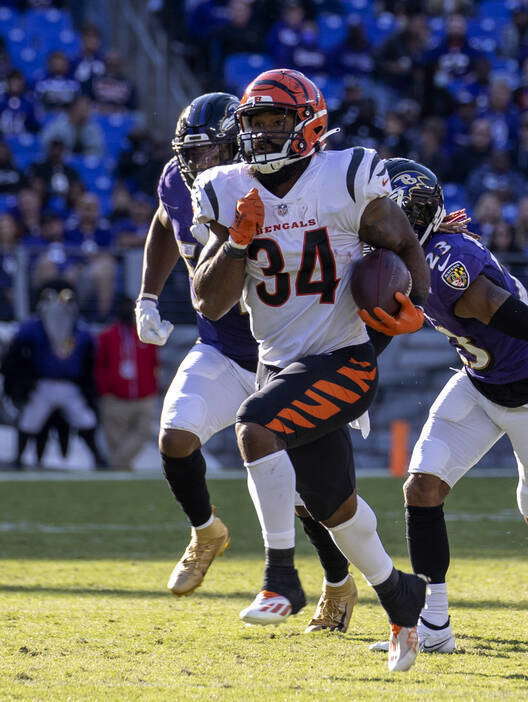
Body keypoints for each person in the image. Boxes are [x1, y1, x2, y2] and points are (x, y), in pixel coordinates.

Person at [190, 69, 431, 672]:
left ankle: (280, 578)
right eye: (254, 123)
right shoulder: (224, 189)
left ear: (309, 125)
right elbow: (208, 302)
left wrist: (411, 307)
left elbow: (404, 246)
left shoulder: (344, 177)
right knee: (334, 505)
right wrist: (237, 243)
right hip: (280, 365)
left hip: (343, 358)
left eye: (277, 122)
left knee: (254, 426)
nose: (264, 134)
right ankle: (401, 595)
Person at [367, 158, 528, 654]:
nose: (376, 227)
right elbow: (383, 328)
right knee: (421, 487)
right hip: (478, 383)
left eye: (386, 216)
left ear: (413, 219)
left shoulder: (450, 265)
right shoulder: (399, 263)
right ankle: (433, 627)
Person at [137, 91, 360, 635]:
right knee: (174, 437)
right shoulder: (180, 178)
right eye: (189, 153)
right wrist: (148, 294)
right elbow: (167, 220)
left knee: (313, 496)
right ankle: (206, 530)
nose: (197, 165)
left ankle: (337, 582)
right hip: (223, 347)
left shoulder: (278, 183)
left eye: (209, 152)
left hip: (289, 356)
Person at [2, 280, 107, 469]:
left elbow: (89, 355)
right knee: (29, 421)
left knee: (86, 419)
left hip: (69, 384)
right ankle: (18, 458)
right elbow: (17, 354)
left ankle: (98, 457)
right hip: (43, 384)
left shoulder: (79, 329)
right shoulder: (33, 327)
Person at [95, 296, 158, 469]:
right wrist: (106, 390)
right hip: (115, 398)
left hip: (144, 396)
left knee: (144, 432)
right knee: (115, 438)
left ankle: (116, 465)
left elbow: (154, 362)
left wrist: (152, 386)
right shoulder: (107, 336)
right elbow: (100, 365)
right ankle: (122, 470)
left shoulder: (145, 335)